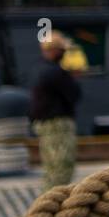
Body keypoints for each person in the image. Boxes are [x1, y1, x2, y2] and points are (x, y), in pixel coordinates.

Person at [31, 32, 80, 190]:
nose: (64, 53)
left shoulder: (40, 69)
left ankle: (49, 200)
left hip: (46, 123)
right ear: (54, 51)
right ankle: (54, 201)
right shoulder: (55, 72)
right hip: (58, 125)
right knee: (62, 167)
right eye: (61, 50)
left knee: (51, 168)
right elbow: (73, 94)